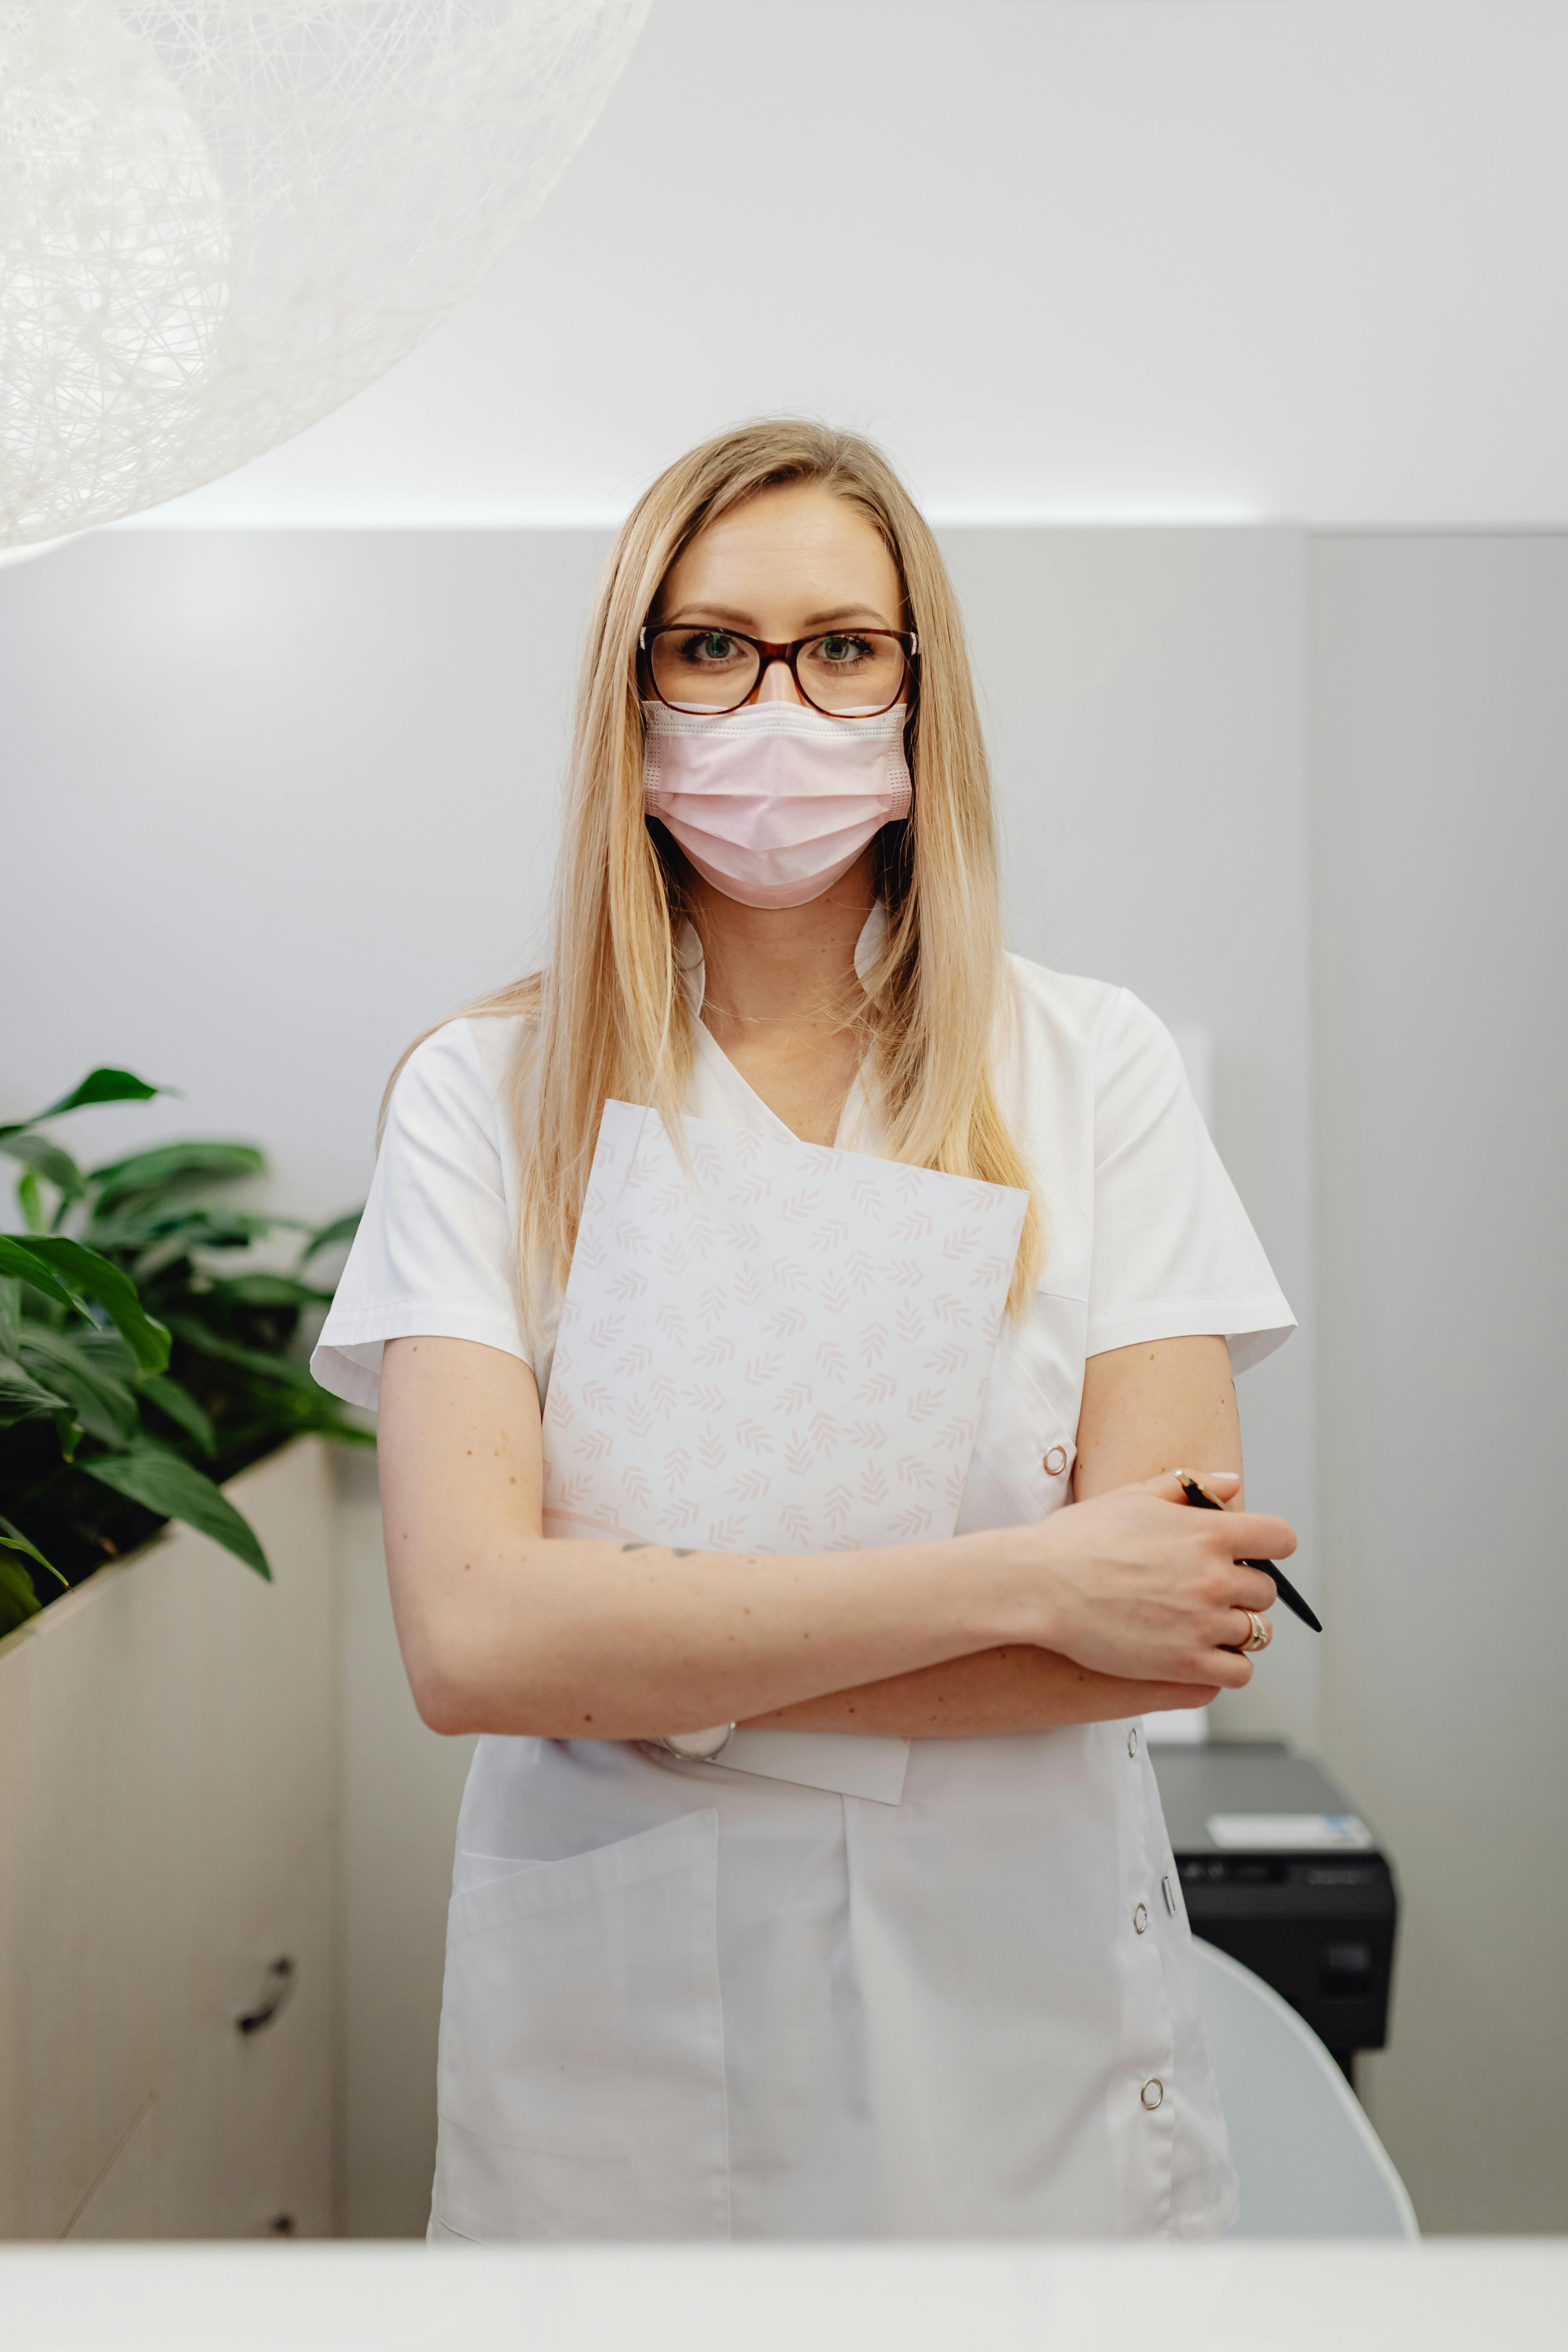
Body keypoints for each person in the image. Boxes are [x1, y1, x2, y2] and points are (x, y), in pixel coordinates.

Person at [312, 419, 1296, 2243]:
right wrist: (1030, 1579)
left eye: (844, 648)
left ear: (922, 703)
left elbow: (1160, 1632)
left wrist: (650, 1654)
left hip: (1025, 2046)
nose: (779, 701)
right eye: (710, 645)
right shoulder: (483, 1092)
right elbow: (473, 1641)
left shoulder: (1091, 1070)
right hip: (628, 2063)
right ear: (634, 693)